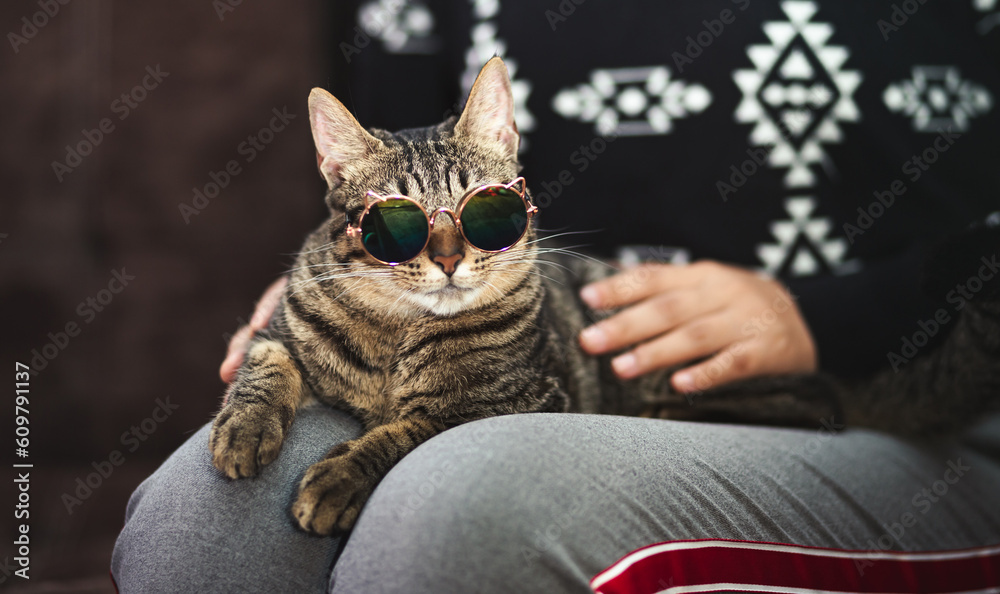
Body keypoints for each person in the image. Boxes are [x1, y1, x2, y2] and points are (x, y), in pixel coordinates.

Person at [112, 1, 1000, 591]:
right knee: (196, 531)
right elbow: (387, 155)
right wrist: (354, 268)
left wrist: (829, 315)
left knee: (452, 515)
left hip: (886, 399)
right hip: (456, 323)